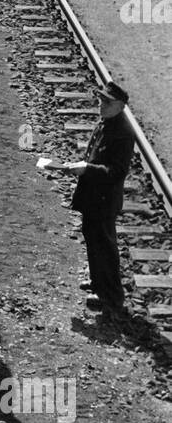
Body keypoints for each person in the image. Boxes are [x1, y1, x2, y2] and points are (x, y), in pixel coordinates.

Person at [42, 81, 135, 320]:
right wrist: (78, 167)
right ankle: (98, 284)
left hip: (104, 202)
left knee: (105, 248)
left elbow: (116, 172)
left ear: (121, 106)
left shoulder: (123, 133)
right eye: (101, 100)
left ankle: (112, 299)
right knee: (94, 242)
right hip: (94, 198)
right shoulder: (106, 122)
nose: (101, 105)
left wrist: (87, 169)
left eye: (107, 102)